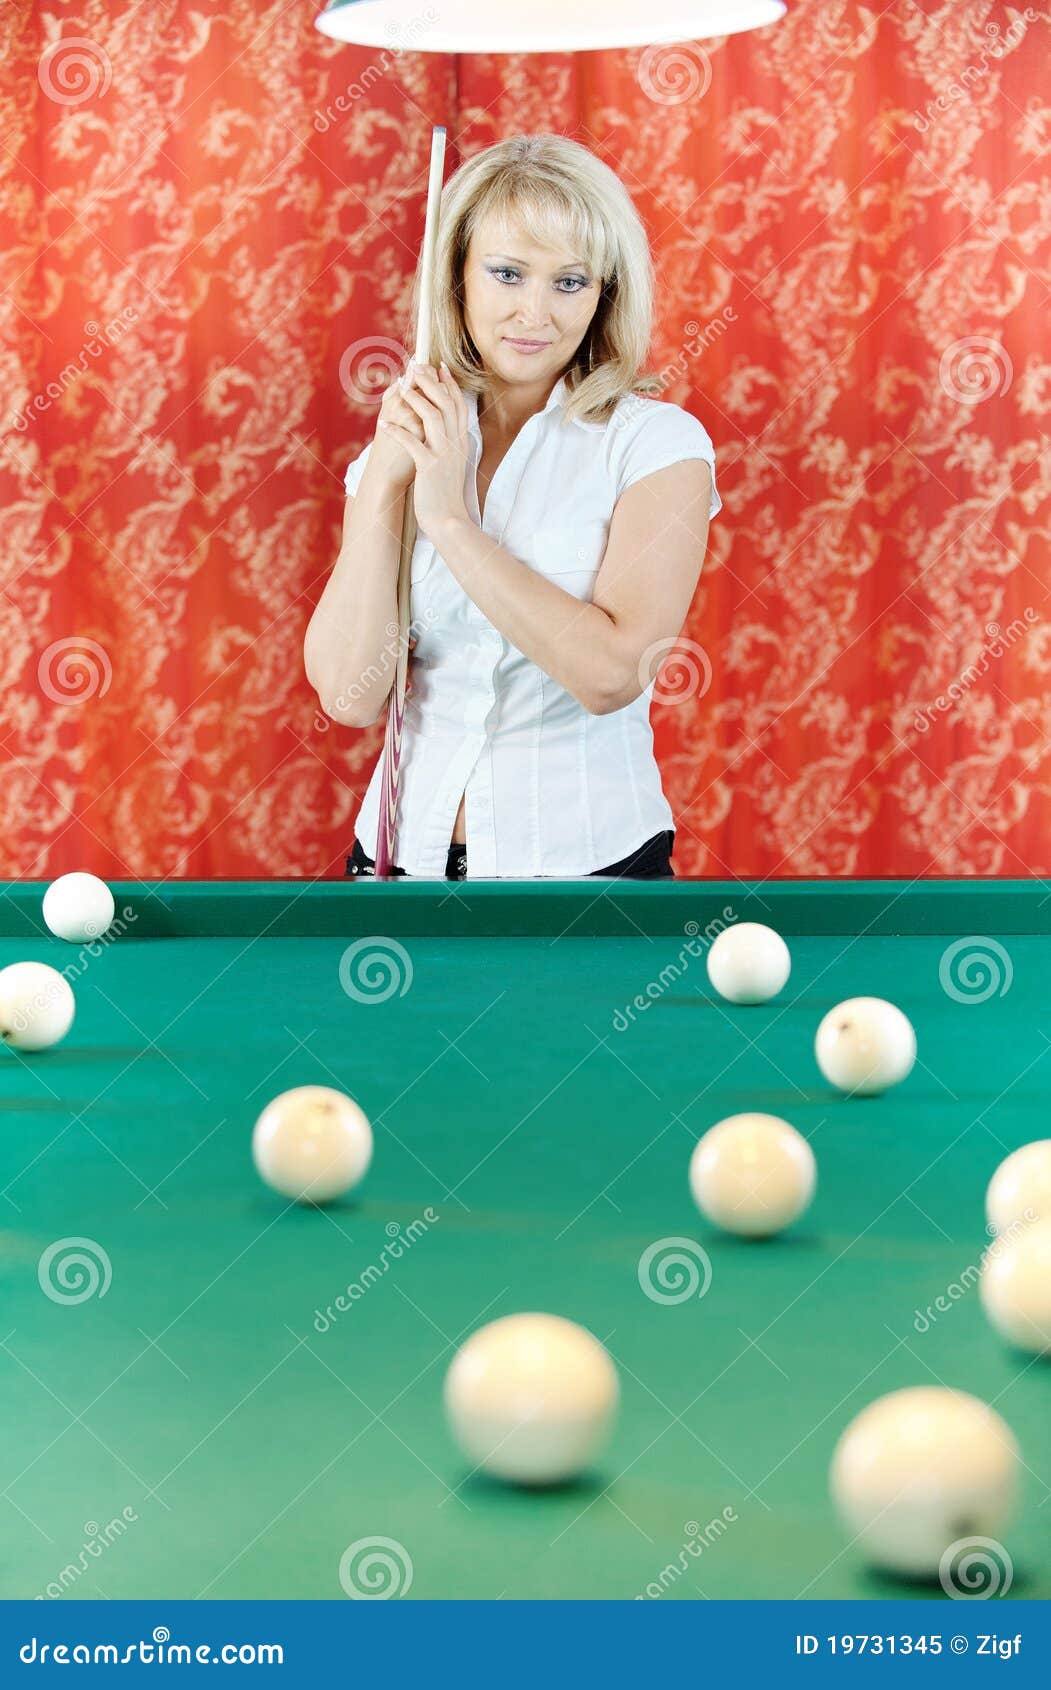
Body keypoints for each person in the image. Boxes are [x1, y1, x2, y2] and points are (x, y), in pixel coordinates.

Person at [305, 133, 721, 881]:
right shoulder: (397, 449)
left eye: (570, 282)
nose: (536, 313)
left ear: (604, 294)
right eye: (506, 274)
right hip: (397, 869)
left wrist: (450, 523)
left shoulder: (656, 445)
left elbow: (609, 675)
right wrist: (381, 489)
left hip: (591, 874)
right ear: (456, 276)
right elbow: (348, 695)